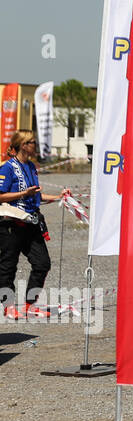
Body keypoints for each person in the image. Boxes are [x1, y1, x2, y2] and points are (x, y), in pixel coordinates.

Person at [0, 130, 62, 319]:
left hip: (31, 222)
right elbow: (1, 196)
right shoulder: (7, 168)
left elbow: (35, 195)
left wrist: (59, 198)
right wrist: (22, 194)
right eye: (32, 142)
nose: (35, 145)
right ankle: (8, 305)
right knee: (8, 266)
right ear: (23, 145)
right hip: (11, 223)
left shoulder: (32, 167)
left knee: (42, 263)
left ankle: (29, 304)